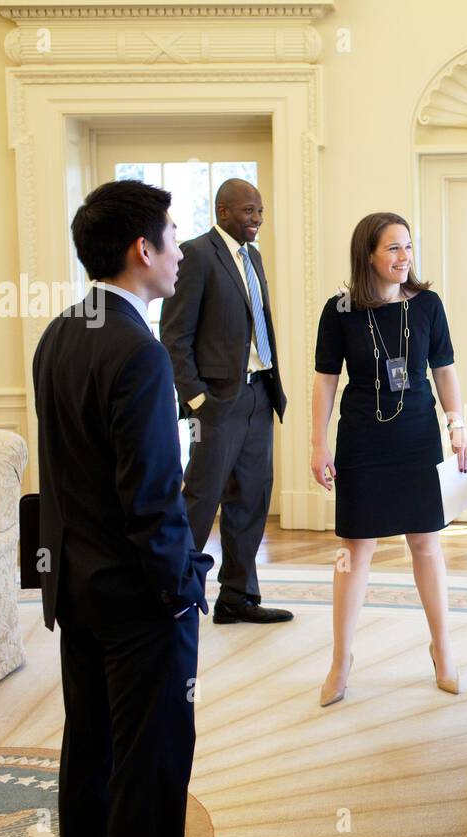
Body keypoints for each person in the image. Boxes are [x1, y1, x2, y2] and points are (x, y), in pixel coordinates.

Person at [33, 179, 212, 837]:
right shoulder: (139, 352)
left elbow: (69, 471)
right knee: (152, 765)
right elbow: (151, 498)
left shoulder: (59, 333)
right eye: (172, 239)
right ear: (143, 248)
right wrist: (180, 592)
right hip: (138, 597)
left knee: (90, 749)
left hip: (74, 587)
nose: (179, 255)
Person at [310, 212, 467, 706]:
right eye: (393, 249)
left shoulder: (426, 305)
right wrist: (317, 444)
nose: (404, 258)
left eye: (407, 248)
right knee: (354, 549)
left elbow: (443, 370)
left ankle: (442, 650)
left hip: (417, 435)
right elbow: (325, 380)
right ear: (369, 255)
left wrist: (457, 425)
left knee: (425, 543)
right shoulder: (339, 311)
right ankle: (342, 660)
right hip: (361, 437)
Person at [160, 178, 292, 625]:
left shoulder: (251, 255)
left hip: (259, 393)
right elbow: (175, 334)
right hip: (217, 402)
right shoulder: (197, 254)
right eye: (248, 211)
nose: (256, 219)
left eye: (260, 211)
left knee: (251, 499)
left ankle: (237, 597)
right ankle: (174, 592)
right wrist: (197, 398)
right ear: (222, 212)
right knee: (200, 498)